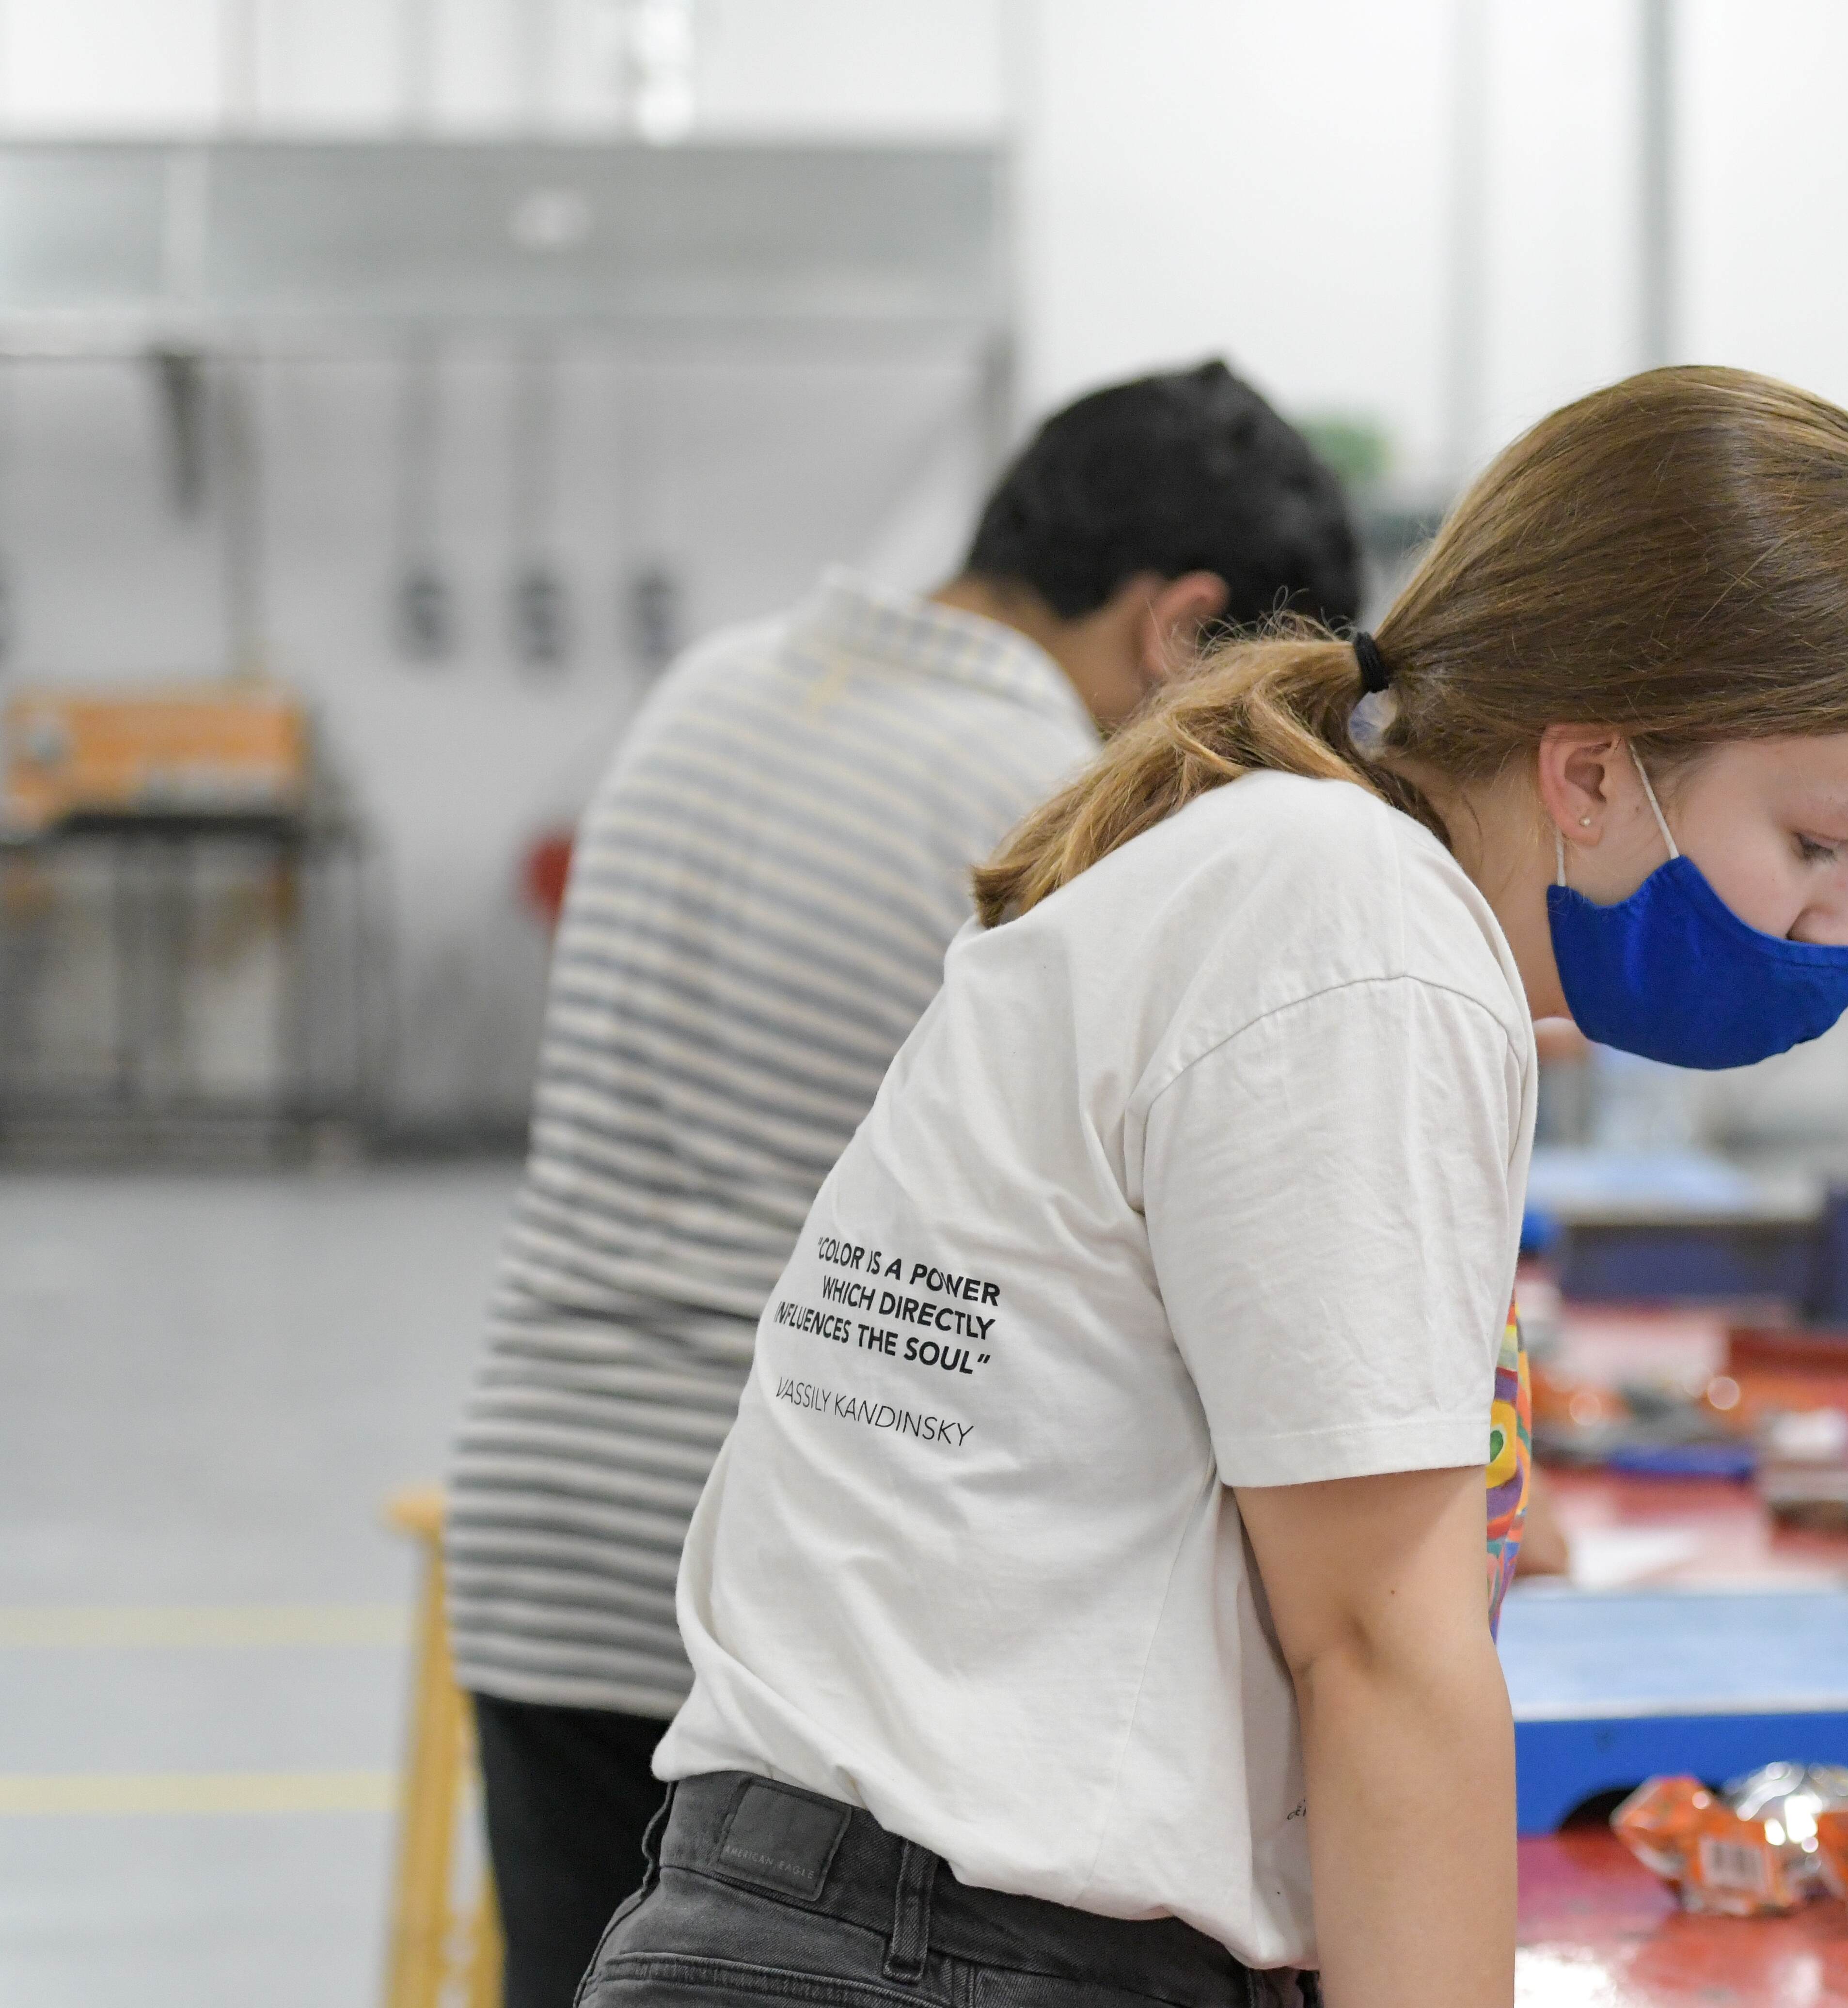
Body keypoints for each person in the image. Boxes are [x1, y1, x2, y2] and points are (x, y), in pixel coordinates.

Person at [580, 366, 1848, 2008]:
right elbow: (1386, 1660)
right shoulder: (1361, 944)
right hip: (952, 1955)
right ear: (1594, 772)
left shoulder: (1303, 878)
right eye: (1823, 840)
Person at [440, 360, 1357, 2008]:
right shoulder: (1046, 800)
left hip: (534, 1522)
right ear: (1182, 625)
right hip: (764, 1593)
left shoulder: (708, 685)